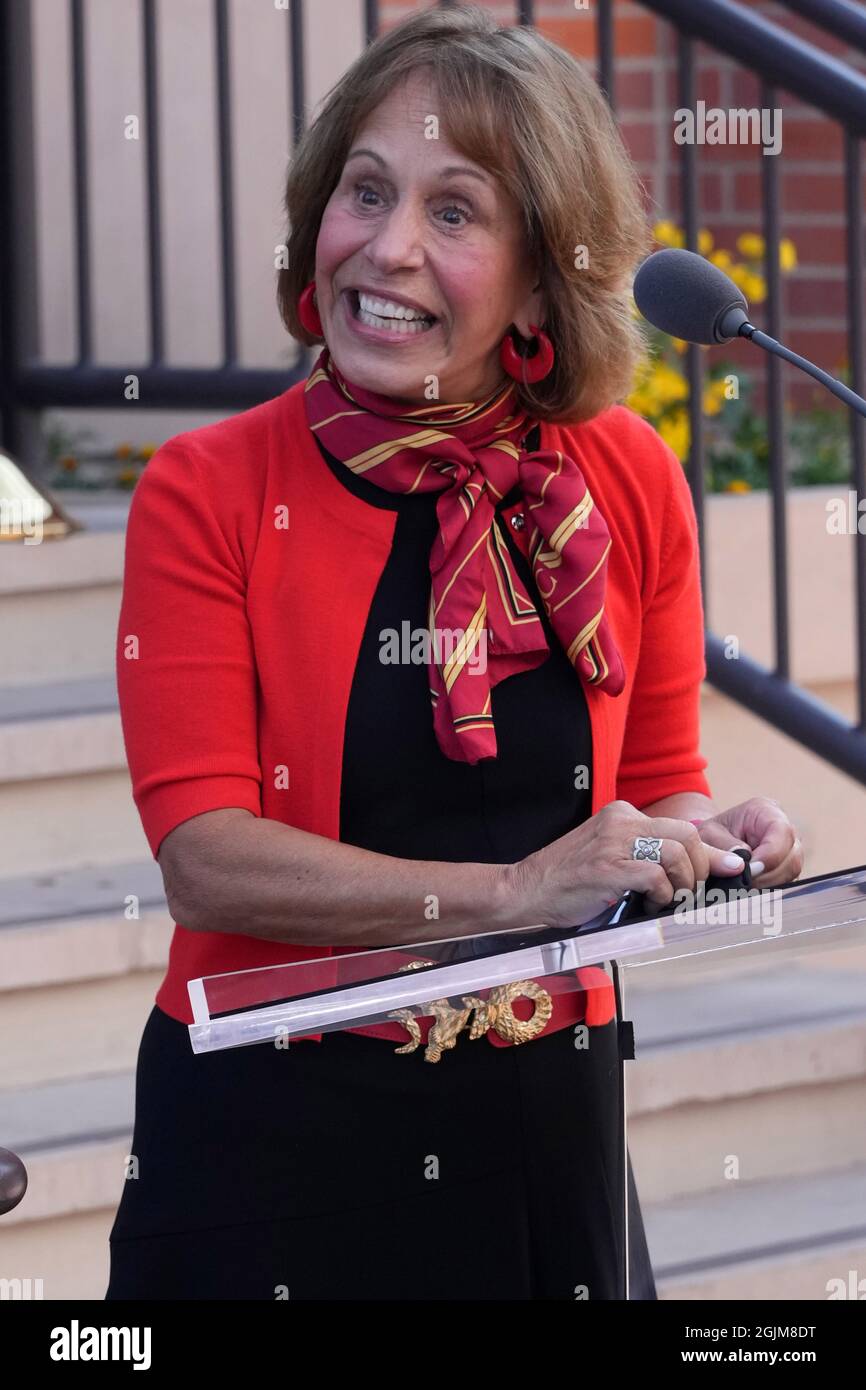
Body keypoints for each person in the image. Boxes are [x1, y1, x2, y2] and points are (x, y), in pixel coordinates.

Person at [105, 5, 803, 1301]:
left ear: (542, 275)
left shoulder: (625, 478)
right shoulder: (206, 487)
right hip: (278, 1139)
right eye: (364, 192)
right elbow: (205, 857)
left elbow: (654, 778)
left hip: (550, 1127)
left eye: (455, 212)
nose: (387, 246)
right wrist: (516, 891)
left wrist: (707, 843)